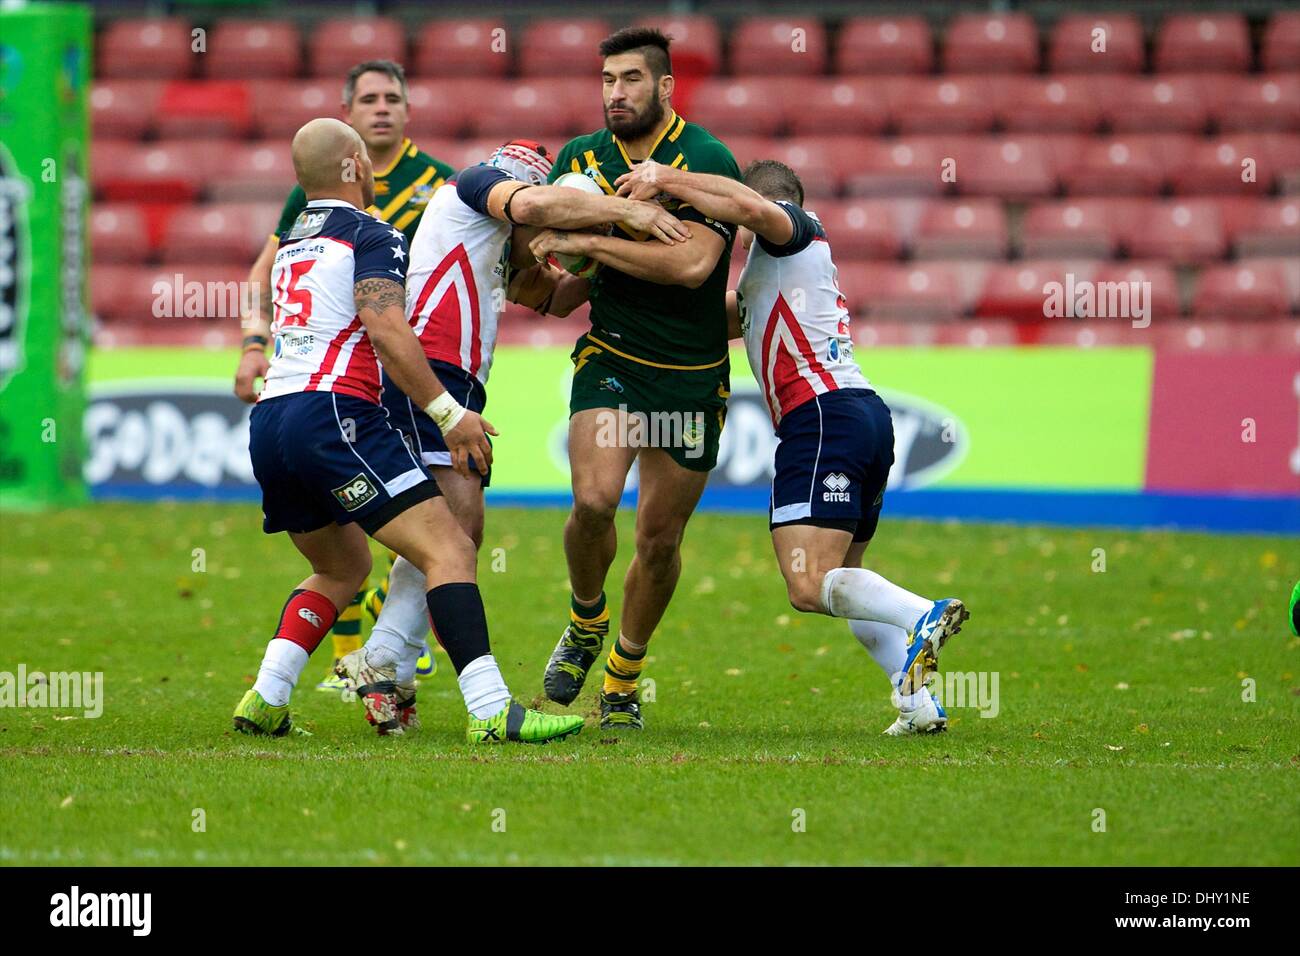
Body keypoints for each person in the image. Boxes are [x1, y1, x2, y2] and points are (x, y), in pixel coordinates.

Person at [231, 118, 584, 745]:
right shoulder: (374, 234)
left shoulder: (294, 245)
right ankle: (491, 709)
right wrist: (450, 414)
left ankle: (267, 695)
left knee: (343, 568)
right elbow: (388, 328)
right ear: (359, 166)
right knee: (450, 548)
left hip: (270, 421)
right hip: (333, 412)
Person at [615, 157, 970, 734]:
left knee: (807, 585)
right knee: (848, 576)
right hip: (861, 417)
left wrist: (666, 179)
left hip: (823, 419)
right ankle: (919, 706)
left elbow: (752, 208)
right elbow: (703, 322)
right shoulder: (768, 277)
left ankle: (921, 614)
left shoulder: (790, 226)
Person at [348, 139, 688, 732]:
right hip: (429, 372)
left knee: (455, 531)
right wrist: (623, 213)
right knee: (454, 532)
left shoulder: (497, 244)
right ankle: (395, 666)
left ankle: (386, 665)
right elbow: (531, 210)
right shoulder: (475, 185)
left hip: (456, 381)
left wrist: (608, 259)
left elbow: (553, 295)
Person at [525, 27, 741, 731]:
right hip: (612, 359)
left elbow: (691, 267)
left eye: (630, 80)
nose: (616, 93)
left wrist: (588, 241)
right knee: (592, 501)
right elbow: (556, 270)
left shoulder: (706, 159)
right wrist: (536, 272)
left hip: (690, 374)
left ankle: (623, 674)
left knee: (658, 540)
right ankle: (586, 620)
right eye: (608, 81)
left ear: (666, 87)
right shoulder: (579, 158)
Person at [234, 60, 456, 691]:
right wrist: (253, 341)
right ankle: (391, 664)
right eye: (369, 99)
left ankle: (279, 689)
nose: (382, 108)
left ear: (408, 110)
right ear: (350, 122)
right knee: (438, 533)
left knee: (353, 550)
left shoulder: (439, 182)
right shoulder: (332, 203)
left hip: (303, 398)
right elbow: (270, 276)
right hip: (358, 383)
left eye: (393, 97)